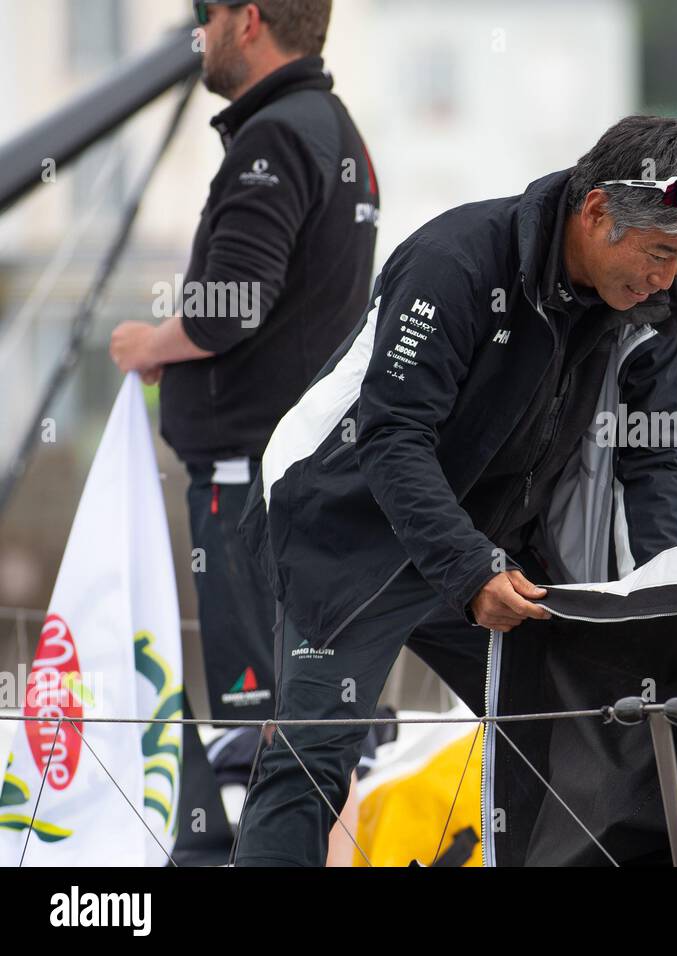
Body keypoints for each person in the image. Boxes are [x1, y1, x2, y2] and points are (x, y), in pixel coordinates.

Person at [232, 115, 677, 866]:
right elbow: (392, 437)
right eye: (660, 253)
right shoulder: (455, 262)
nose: (666, 278)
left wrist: (656, 596)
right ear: (596, 212)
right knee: (315, 759)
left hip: (485, 539)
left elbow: (650, 460)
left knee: (564, 738)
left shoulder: (648, 311)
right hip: (342, 530)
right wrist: (472, 571)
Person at [109, 0, 379, 728]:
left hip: (249, 486)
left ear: (249, 18)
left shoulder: (273, 140)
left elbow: (230, 308)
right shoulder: (334, 129)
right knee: (314, 721)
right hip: (300, 479)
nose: (199, 31)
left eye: (206, 12)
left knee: (262, 728)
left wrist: (148, 346)